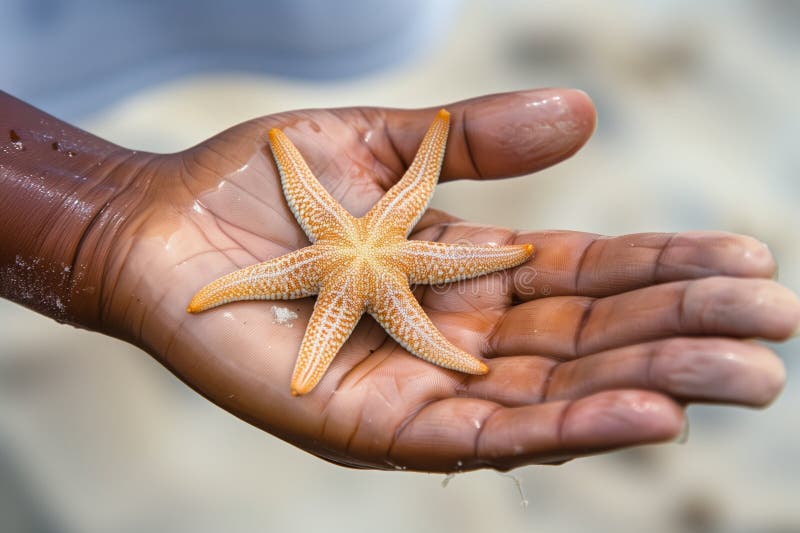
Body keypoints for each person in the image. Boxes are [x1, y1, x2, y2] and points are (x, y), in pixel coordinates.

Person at [1, 88, 798, 472]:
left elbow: (421, 208)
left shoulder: (372, 241)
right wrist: (101, 229)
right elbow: (348, 223)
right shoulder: (339, 248)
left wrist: (102, 223)